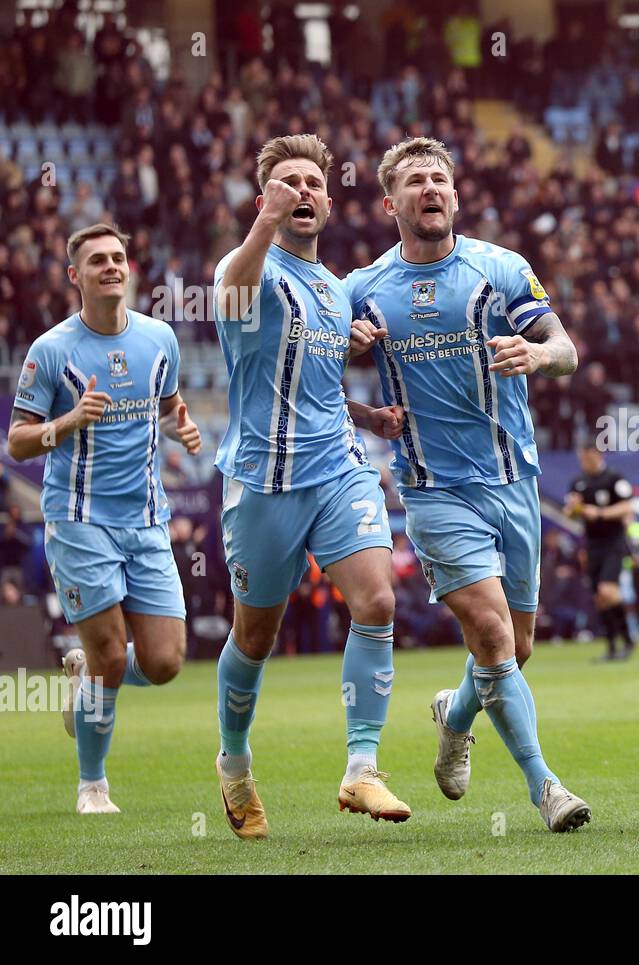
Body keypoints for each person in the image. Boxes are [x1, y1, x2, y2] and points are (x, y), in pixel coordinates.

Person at [345, 136, 590, 832]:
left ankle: (454, 720)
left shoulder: (501, 268)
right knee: (489, 633)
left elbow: (567, 351)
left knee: (516, 645)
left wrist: (536, 353)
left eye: (440, 180)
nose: (431, 190)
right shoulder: (362, 288)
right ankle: (547, 788)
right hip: (431, 487)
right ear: (391, 201)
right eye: (416, 181)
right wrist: (364, 407)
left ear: (455, 194)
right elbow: (304, 380)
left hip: (514, 480)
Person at [210, 134, 410, 839]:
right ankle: (233, 760)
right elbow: (235, 287)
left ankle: (361, 766)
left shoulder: (334, 289)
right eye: (286, 182)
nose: (302, 191)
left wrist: (367, 415)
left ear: (328, 200)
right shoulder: (247, 272)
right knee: (255, 637)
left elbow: (315, 390)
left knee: (378, 598)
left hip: (337, 468)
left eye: (312, 183)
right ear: (265, 197)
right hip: (263, 481)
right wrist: (263, 221)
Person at [8, 223, 203, 814]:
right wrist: (69, 422)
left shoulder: (160, 338)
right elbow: (17, 443)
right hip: (78, 521)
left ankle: (85, 676)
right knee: (112, 657)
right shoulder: (50, 350)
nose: (112, 267)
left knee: (166, 662)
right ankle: (92, 785)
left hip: (147, 520)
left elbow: (167, 404)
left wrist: (181, 426)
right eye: (98, 261)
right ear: (76, 277)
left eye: (119, 257)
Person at [565, 445, 637, 661]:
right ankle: (613, 646)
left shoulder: (614, 479)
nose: (584, 463)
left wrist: (600, 513)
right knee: (600, 598)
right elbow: (570, 514)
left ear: (598, 455)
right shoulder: (578, 483)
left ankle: (628, 638)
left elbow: (627, 508)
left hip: (613, 543)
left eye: (588, 458)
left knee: (608, 591)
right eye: (582, 459)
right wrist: (574, 510)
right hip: (592, 545)